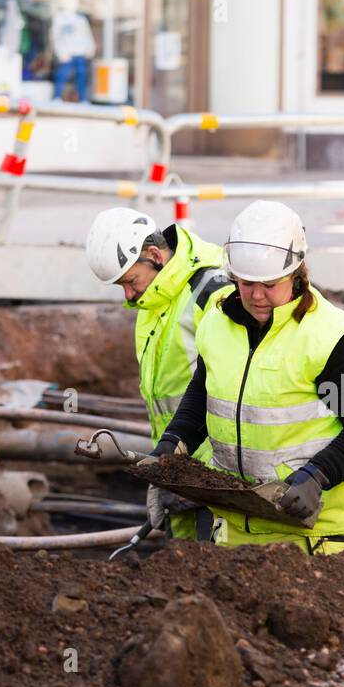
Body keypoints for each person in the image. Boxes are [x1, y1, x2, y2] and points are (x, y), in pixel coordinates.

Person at [157, 200, 344, 554]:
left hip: (320, 540)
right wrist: (171, 447)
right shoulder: (218, 322)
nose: (256, 295)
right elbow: (203, 392)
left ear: (296, 272)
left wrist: (318, 475)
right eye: (246, 282)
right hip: (237, 533)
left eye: (269, 284)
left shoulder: (330, 338)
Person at [85, 207, 232, 539]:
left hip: (216, 477)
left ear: (155, 255)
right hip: (179, 467)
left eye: (130, 281)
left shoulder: (212, 291)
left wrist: (206, 477)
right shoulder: (155, 299)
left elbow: (238, 389)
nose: (128, 295)